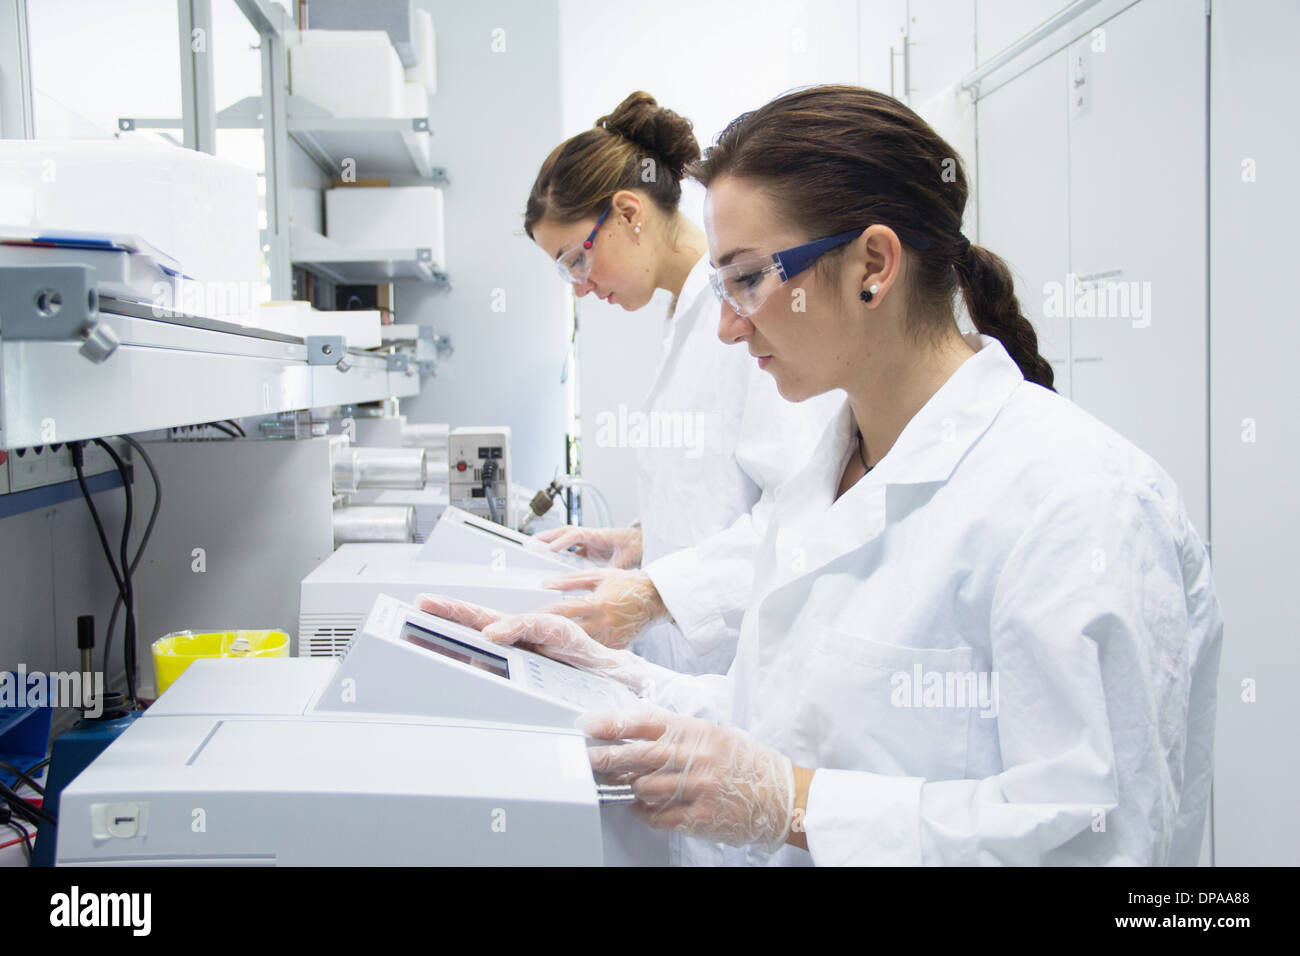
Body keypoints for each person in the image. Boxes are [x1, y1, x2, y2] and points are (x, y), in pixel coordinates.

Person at [423, 85, 1222, 865]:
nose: (731, 327)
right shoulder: (824, 481)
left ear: (873, 265)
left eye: (750, 280)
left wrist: (797, 804)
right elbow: (772, 716)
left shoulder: (1078, 504)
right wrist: (610, 674)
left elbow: (1101, 844)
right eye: (722, 288)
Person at [523, 91, 839, 676]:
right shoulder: (687, 315)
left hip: (749, 668)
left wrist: (655, 594)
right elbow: (719, 489)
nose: (580, 288)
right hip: (693, 670)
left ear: (628, 212)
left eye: (575, 260)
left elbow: (802, 507)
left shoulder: (749, 316)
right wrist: (644, 541)